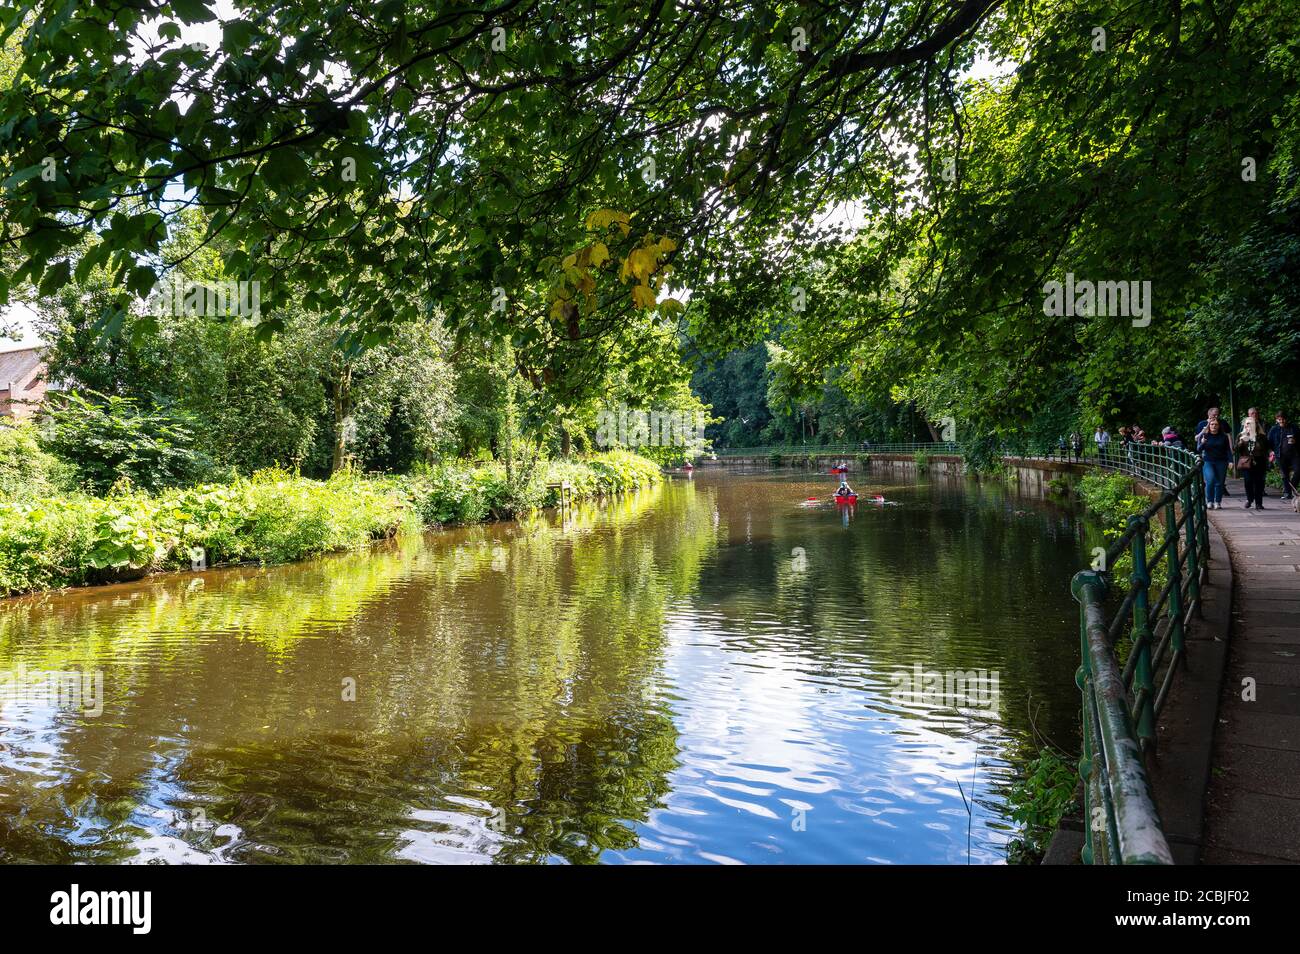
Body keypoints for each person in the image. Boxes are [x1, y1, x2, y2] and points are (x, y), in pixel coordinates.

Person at [1195, 407, 1232, 496]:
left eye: (1217, 414)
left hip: (1220, 452)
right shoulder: (1202, 424)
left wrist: (1231, 448)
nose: (1216, 416)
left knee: (1219, 475)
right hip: (1206, 452)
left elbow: (1228, 435)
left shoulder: (1223, 423)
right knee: (1210, 476)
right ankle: (1211, 491)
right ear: (1209, 414)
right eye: (1214, 415)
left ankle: (1219, 489)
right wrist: (1207, 427)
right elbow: (1196, 438)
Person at [1237, 417, 1272, 509]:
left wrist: (1270, 454)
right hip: (1246, 462)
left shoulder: (1262, 436)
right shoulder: (1241, 435)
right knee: (1248, 481)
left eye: (1251, 423)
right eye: (1247, 423)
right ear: (1245, 425)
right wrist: (1241, 442)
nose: (1249, 425)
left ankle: (1259, 503)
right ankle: (1249, 499)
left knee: (1259, 482)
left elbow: (1266, 448)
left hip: (1259, 461)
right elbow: (1236, 450)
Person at [1268, 411, 1299, 499]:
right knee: (1285, 475)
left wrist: (1295, 441)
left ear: (1286, 419)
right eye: (1279, 419)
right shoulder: (1274, 429)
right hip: (1280, 455)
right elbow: (1269, 442)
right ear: (1277, 420)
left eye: (1283, 419)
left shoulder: (1294, 427)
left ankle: (1291, 487)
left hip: (1295, 454)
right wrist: (1271, 451)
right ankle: (1287, 493)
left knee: (1298, 471)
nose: (1282, 421)